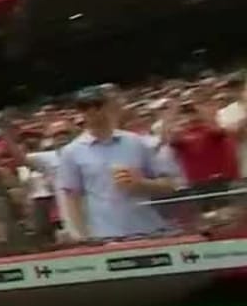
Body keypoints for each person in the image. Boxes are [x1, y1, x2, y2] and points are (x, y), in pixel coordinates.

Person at [58, 85, 180, 240]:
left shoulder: (135, 142)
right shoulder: (72, 152)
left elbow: (169, 185)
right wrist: (82, 237)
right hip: (107, 236)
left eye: (97, 104)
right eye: (83, 107)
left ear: (108, 106)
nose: (91, 111)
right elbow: (72, 198)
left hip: (150, 229)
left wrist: (141, 184)